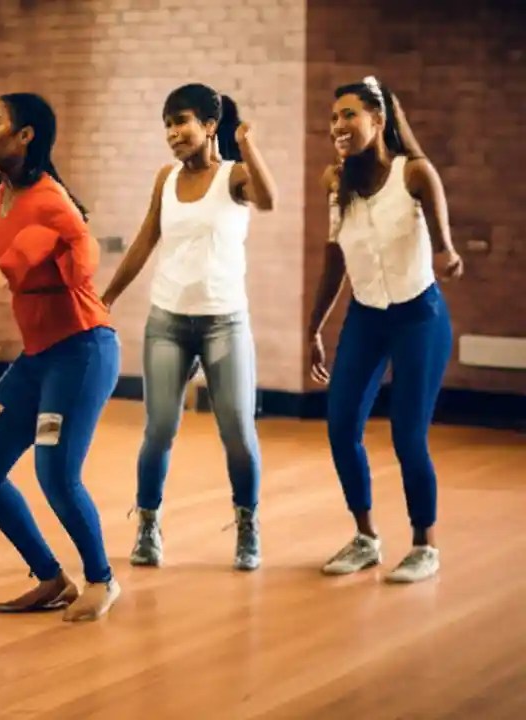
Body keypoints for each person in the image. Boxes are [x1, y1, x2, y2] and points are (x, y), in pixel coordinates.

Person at [0, 92, 121, 622]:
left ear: (26, 136)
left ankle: (101, 580)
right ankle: (49, 576)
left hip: (82, 351)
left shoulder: (50, 199)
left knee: (56, 473)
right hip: (38, 357)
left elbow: (33, 250)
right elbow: (1, 253)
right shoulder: (6, 194)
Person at [98, 84, 277, 571]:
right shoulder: (166, 178)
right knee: (158, 429)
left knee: (238, 430)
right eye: (168, 125)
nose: (174, 133)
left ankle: (247, 526)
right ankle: (148, 526)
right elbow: (144, 240)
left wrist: (251, 144)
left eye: (182, 122)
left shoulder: (234, 177)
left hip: (225, 322)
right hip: (168, 322)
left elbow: (268, 199)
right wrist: (107, 296)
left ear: (210, 126)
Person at [309, 76, 462, 584]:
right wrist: (314, 328)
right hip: (366, 317)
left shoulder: (413, 173)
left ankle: (425, 544)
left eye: (349, 115)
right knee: (341, 426)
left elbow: (442, 235)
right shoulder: (337, 183)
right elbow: (334, 263)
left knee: (407, 436)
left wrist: (447, 250)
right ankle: (366, 537)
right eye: (334, 118)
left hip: (419, 317)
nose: (339, 125)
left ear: (378, 120)